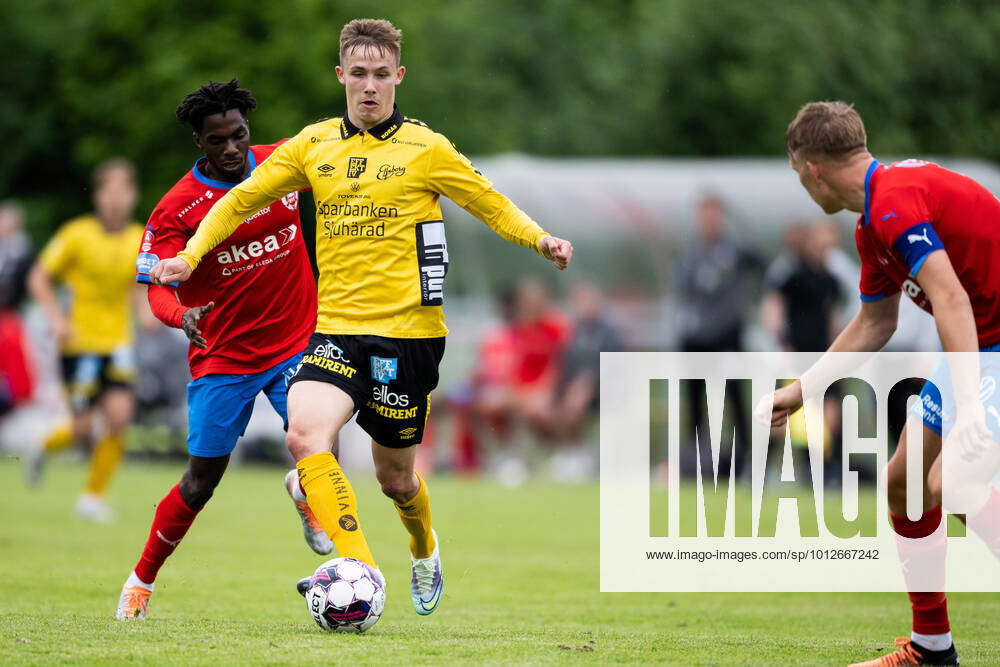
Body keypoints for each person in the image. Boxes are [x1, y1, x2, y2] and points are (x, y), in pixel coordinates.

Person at [150, 18, 573, 617]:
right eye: (358, 73)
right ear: (341, 76)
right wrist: (190, 257)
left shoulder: (427, 149)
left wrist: (541, 240)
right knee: (304, 436)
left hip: (408, 338)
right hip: (335, 331)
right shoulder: (313, 145)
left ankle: (423, 546)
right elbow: (239, 200)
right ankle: (361, 570)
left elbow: (489, 203)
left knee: (395, 480)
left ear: (398, 76)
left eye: (380, 74)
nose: (369, 86)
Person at [768, 101, 1000, 666]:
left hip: (990, 344)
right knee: (905, 482)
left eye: (799, 176)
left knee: (953, 483)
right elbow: (876, 322)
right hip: (980, 344)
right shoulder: (873, 222)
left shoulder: (893, 203)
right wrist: (803, 389)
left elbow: (949, 297)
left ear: (812, 170)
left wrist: (970, 408)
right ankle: (932, 650)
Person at [115, 80, 324, 620]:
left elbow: (346, 159)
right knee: (200, 482)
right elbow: (157, 287)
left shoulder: (284, 162)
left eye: (239, 135)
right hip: (224, 358)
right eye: (217, 140)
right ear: (199, 142)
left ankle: (309, 496)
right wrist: (180, 317)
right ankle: (141, 581)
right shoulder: (176, 209)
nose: (232, 149)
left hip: (297, 341)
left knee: (318, 443)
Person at [26, 159, 145, 520]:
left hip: (119, 344)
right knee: (82, 429)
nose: (116, 198)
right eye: (109, 189)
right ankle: (42, 446)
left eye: (124, 189)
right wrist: (56, 319)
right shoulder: (76, 234)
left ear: (133, 195)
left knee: (120, 418)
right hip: (79, 344)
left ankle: (91, 497)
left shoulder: (140, 237)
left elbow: (138, 285)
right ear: (97, 195)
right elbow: (38, 277)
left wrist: (146, 312)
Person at [675, 194, 761, 480]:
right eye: (704, 215)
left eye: (714, 215)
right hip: (696, 338)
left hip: (728, 336)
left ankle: (745, 461)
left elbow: (762, 266)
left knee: (733, 395)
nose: (709, 221)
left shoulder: (736, 249)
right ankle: (696, 462)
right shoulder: (690, 251)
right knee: (695, 399)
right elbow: (683, 290)